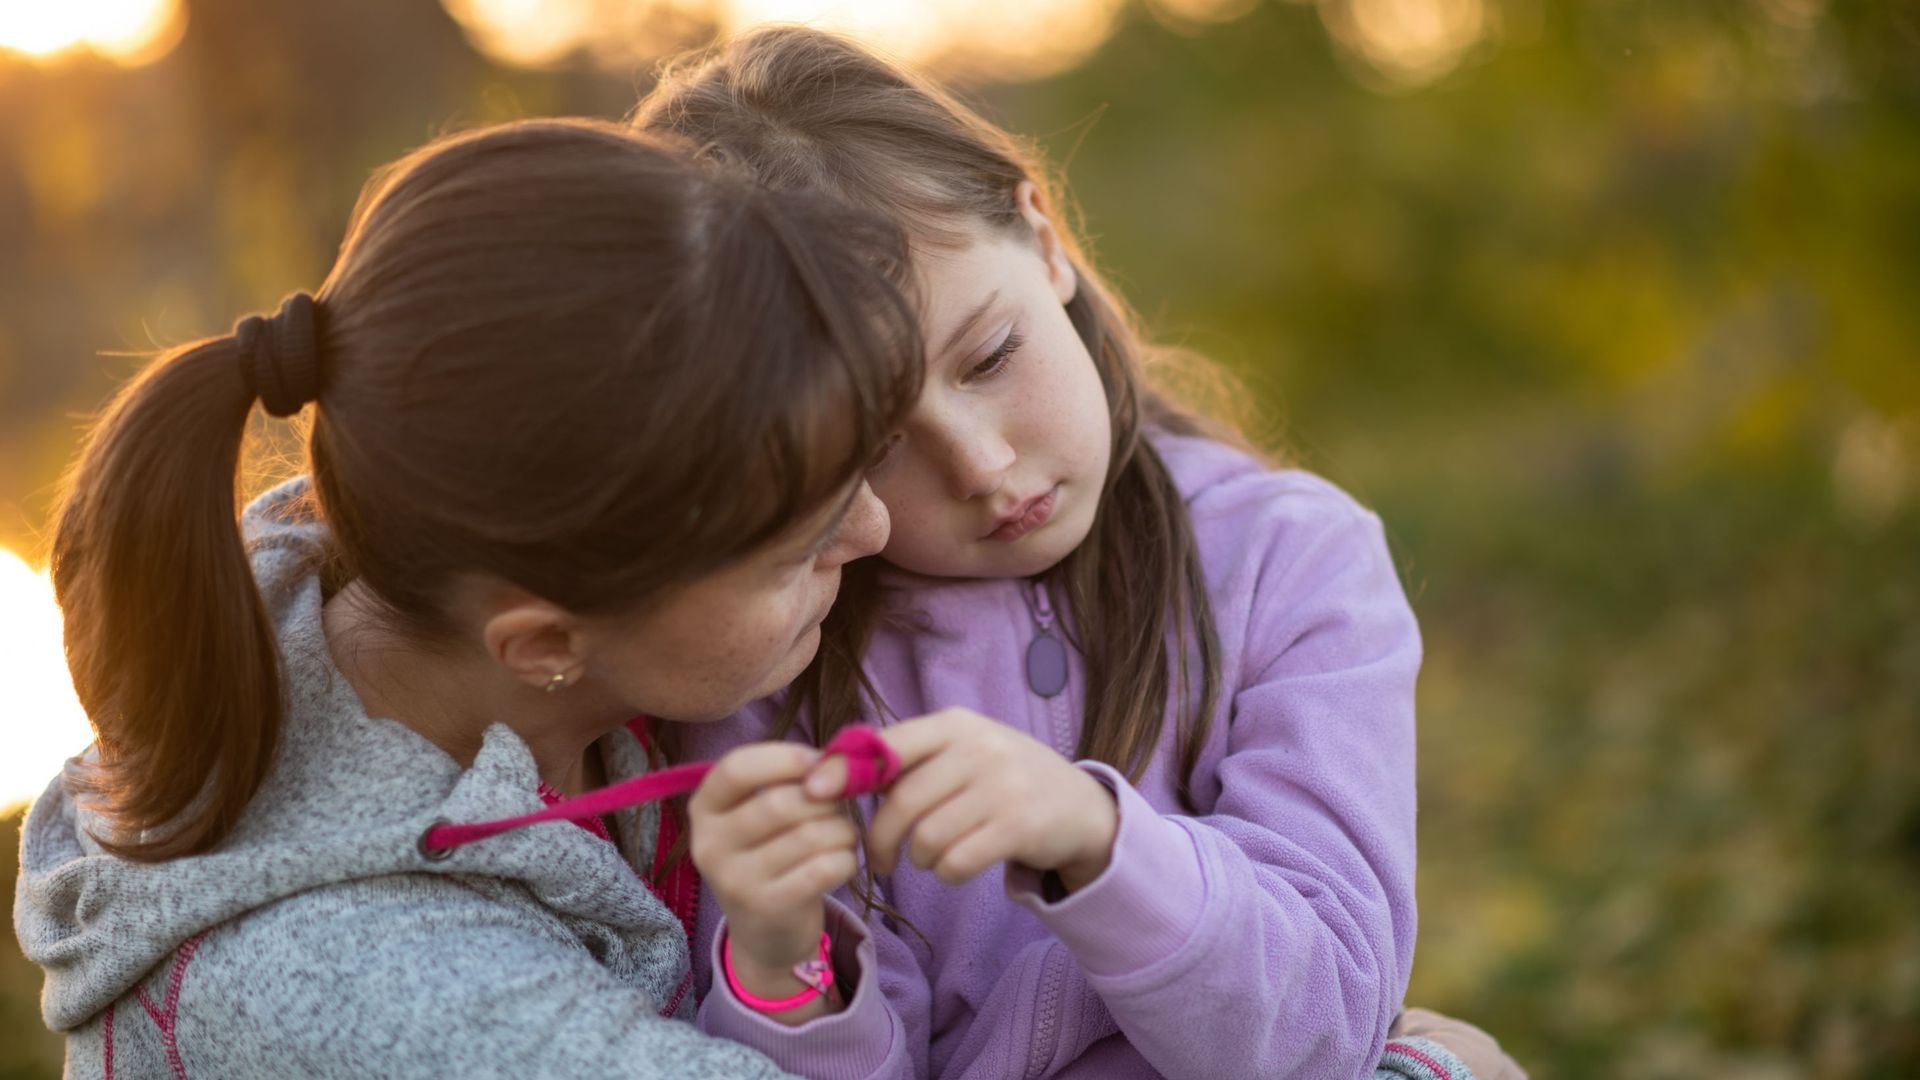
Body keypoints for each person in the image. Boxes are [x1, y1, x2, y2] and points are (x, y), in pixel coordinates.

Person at [634, 28, 1526, 1080]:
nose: (981, 463)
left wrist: (1098, 839)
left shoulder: (1294, 561)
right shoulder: (775, 659)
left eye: (991, 355)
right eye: (873, 447)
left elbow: (1325, 1024)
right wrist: (781, 966)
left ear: (1043, 240)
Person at [13, 118, 927, 1078]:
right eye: (796, 551)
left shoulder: (427, 536)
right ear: (541, 644)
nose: (876, 533)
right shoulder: (402, 1006)